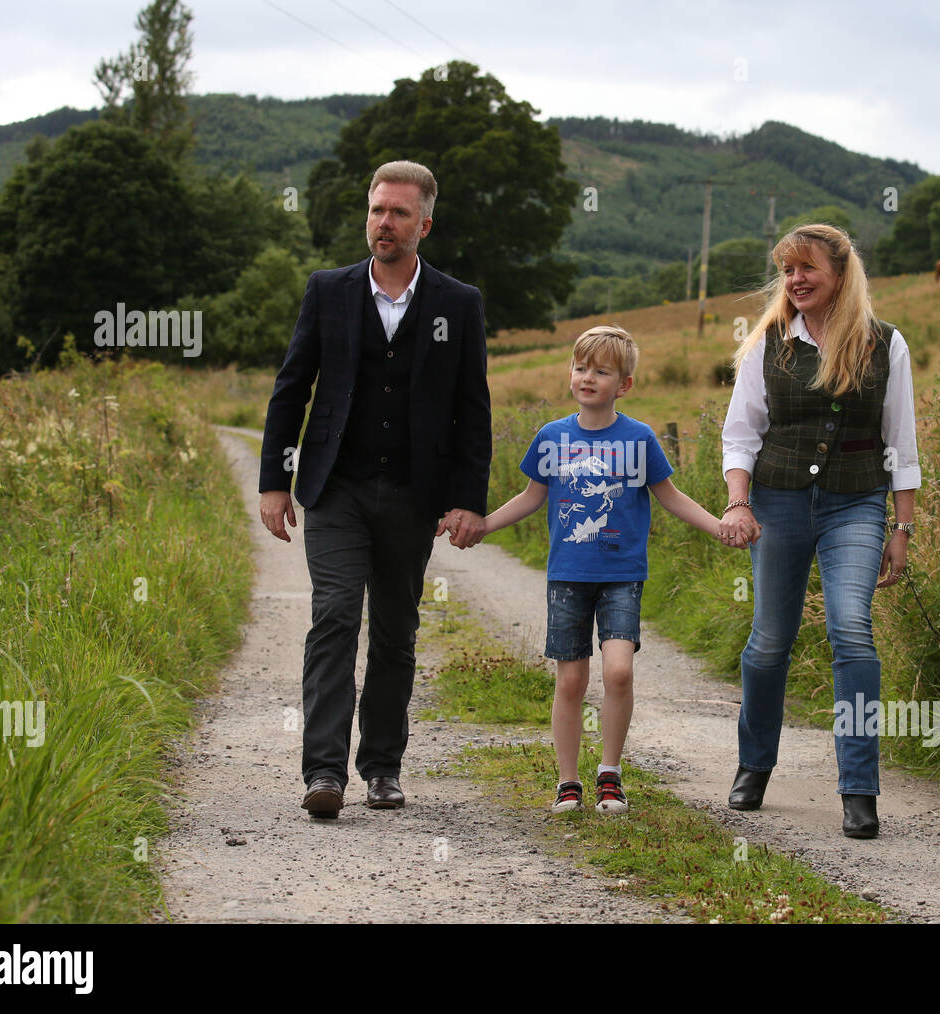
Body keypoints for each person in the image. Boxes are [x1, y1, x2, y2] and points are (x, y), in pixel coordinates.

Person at [258, 160, 491, 819]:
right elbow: (291, 387)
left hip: (413, 494)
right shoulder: (328, 290)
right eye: (376, 210)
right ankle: (324, 772)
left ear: (424, 222)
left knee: (395, 632)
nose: (383, 223)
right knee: (334, 615)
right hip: (336, 489)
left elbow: (472, 408)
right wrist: (275, 481)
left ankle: (382, 767)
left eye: (397, 213)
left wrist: (467, 498)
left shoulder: (457, 303)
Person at [484, 325, 751, 813]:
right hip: (567, 575)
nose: (588, 377)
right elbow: (530, 497)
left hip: (622, 575)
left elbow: (669, 496)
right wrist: (483, 526)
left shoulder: (639, 438)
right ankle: (568, 781)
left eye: (601, 371)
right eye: (581, 367)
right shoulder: (551, 437)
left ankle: (610, 772)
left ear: (623, 384)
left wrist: (719, 527)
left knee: (620, 672)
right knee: (570, 681)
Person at [718, 223, 920, 839]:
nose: (796, 280)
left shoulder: (885, 345)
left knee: (851, 631)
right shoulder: (767, 345)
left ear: (840, 275)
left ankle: (859, 789)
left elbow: (901, 443)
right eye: (787, 270)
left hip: (855, 504)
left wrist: (902, 527)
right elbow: (741, 433)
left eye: (807, 269)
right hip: (776, 504)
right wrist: (738, 503)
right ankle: (754, 764)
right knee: (770, 641)